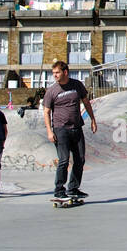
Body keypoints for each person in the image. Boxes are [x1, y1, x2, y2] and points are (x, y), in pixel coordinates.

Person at [43, 60, 97, 206]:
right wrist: (49, 131)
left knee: (80, 159)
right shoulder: (52, 91)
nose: (55, 76)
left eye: (57, 73)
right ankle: (59, 190)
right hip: (60, 129)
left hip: (77, 127)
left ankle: (73, 188)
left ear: (65, 72)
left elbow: (86, 102)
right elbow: (46, 112)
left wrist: (92, 119)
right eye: (53, 73)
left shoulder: (77, 85)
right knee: (64, 160)